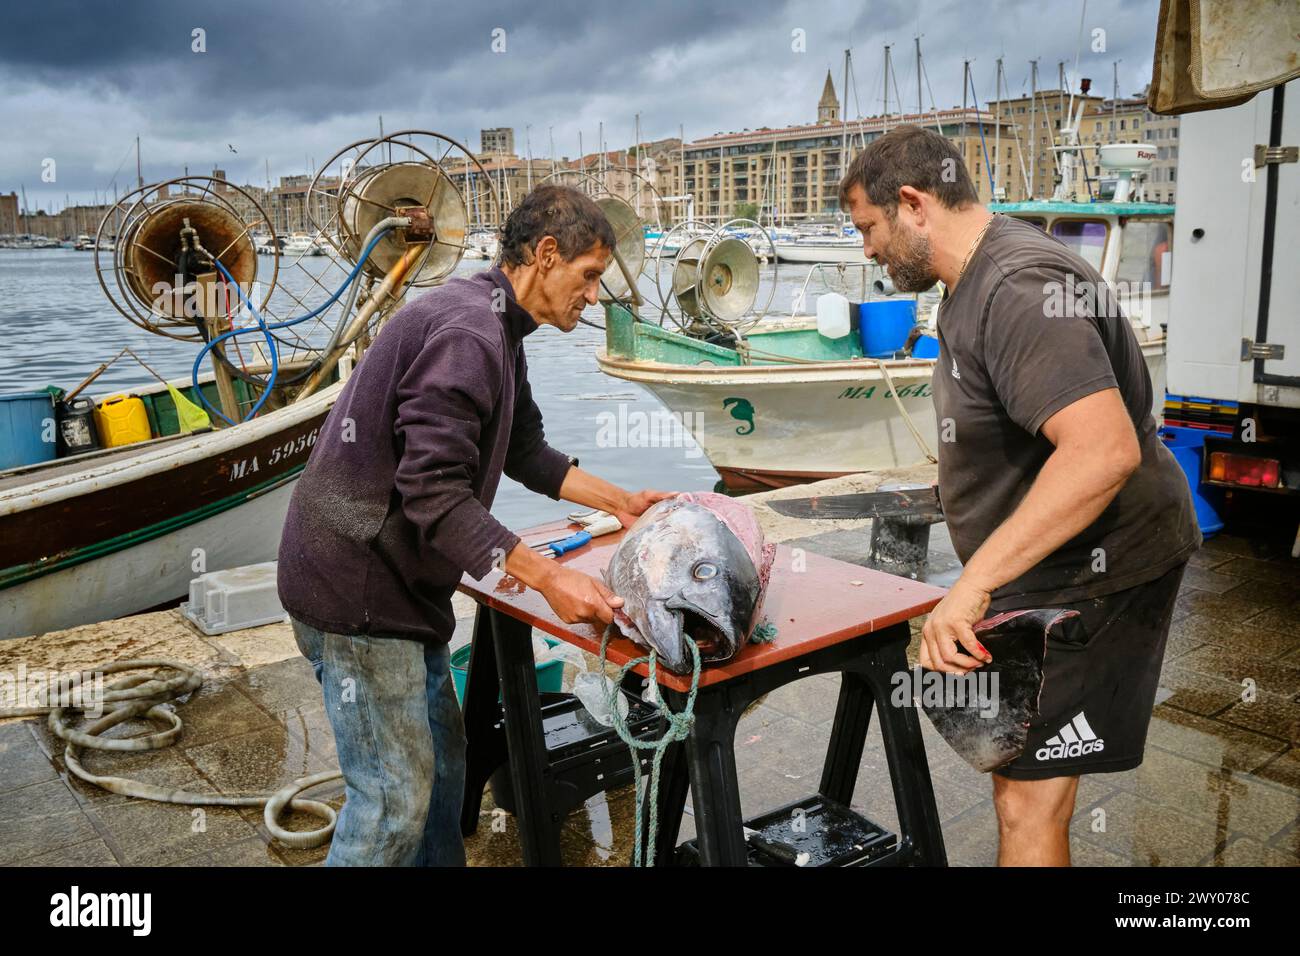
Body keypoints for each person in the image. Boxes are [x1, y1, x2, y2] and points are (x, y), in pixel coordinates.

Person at [277, 184, 675, 865]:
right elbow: (434, 494)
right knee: (392, 805)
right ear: (547, 255)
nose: (593, 295)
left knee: (440, 773)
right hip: (359, 595)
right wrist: (548, 578)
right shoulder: (469, 333)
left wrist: (620, 504)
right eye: (588, 277)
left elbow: (525, 452)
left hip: (400, 591)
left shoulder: (498, 322)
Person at [838, 126, 1200, 866]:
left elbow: (1101, 451)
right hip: (1050, 564)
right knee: (1024, 785)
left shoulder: (1016, 287)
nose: (866, 251)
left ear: (911, 203)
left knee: (1027, 803)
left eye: (868, 229)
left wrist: (971, 584)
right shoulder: (971, 280)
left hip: (1102, 568)